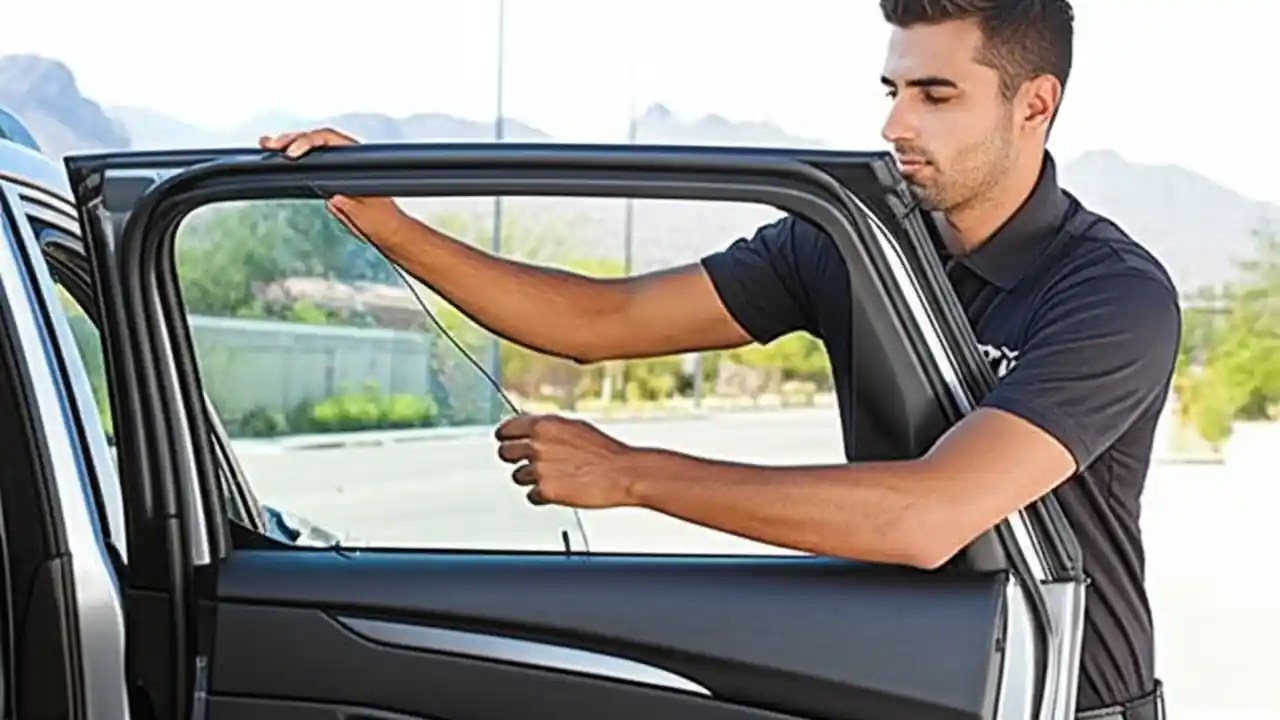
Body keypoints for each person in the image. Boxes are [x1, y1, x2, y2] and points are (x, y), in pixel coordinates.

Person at [262, 0, 1176, 715]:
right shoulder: (848, 244)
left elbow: (925, 516)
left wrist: (632, 475)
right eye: (892, 90)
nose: (897, 124)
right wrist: (387, 222)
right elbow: (598, 318)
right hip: (913, 673)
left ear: (1035, 105)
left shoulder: (1111, 294)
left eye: (935, 96)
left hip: (1067, 696)